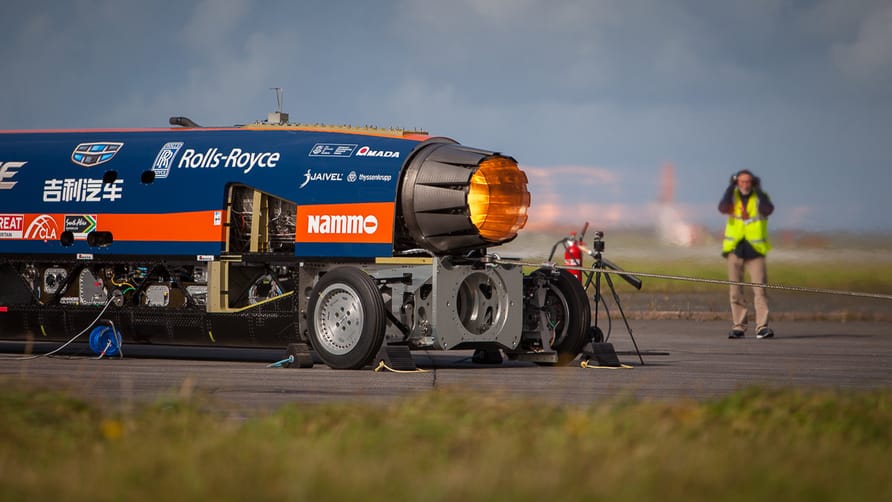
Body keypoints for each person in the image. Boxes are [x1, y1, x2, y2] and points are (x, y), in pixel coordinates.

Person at [718, 169, 775, 339]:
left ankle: (762, 327)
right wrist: (730, 187)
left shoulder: (760, 198)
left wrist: (759, 190)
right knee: (735, 291)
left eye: (748, 182)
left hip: (755, 250)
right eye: (741, 182)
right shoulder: (732, 197)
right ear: (737, 182)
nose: (745, 185)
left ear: (753, 182)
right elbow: (723, 208)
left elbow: (767, 209)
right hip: (735, 248)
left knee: (760, 290)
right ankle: (739, 326)